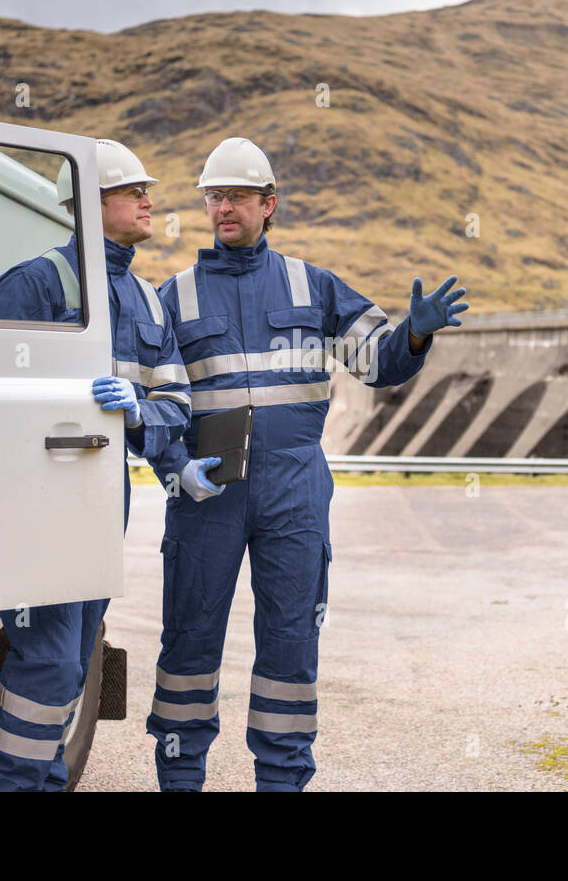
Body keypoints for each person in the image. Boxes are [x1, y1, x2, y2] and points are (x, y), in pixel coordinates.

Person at [145, 137, 469, 791]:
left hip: (294, 484)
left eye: (236, 195)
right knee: (188, 639)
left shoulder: (312, 285)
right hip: (209, 489)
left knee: (291, 640)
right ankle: (180, 779)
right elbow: (154, 405)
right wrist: (176, 467)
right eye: (214, 196)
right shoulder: (171, 297)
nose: (223, 206)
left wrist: (414, 332)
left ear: (269, 203)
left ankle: (283, 780)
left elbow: (377, 361)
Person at [0, 138, 205, 791]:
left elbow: (174, 404)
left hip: (101, 514)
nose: (149, 199)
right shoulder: (35, 284)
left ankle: (40, 783)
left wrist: (138, 414)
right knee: (47, 664)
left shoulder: (148, 301)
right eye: (134, 191)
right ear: (88, 203)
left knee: (72, 665)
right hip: (37, 511)